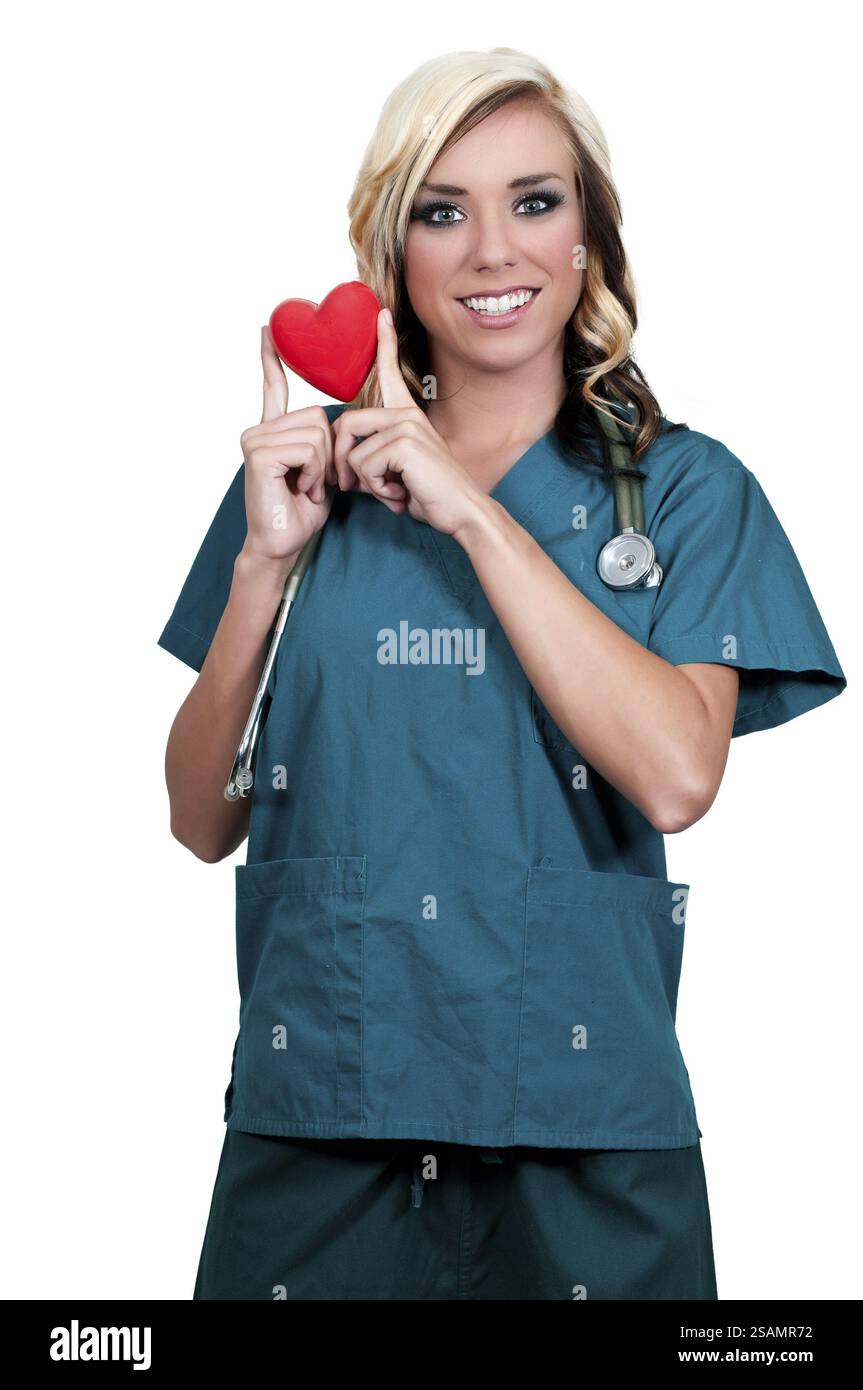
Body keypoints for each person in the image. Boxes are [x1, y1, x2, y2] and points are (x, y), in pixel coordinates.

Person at [158, 48, 846, 1301]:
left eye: (534, 201)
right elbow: (198, 817)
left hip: (587, 1143)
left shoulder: (684, 492)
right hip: (320, 1124)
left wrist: (470, 512)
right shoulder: (301, 482)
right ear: (393, 258)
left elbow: (679, 776)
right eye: (441, 209)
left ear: (586, 240)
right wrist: (263, 565)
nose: (491, 249)